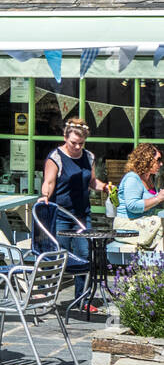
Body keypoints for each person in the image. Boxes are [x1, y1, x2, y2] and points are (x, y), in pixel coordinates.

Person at [38, 117, 110, 309]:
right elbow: (49, 181)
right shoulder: (56, 157)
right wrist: (45, 195)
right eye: (73, 143)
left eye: (81, 143)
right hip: (60, 214)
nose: (77, 147)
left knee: (84, 255)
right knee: (57, 255)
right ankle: (46, 293)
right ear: (65, 137)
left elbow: (91, 181)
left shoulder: (89, 157)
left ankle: (82, 299)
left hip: (82, 215)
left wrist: (103, 187)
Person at [113, 143, 164, 252]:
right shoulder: (132, 178)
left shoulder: (150, 179)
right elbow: (132, 206)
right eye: (158, 160)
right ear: (147, 160)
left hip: (144, 226)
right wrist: (158, 198)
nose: (161, 164)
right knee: (160, 222)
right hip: (127, 227)